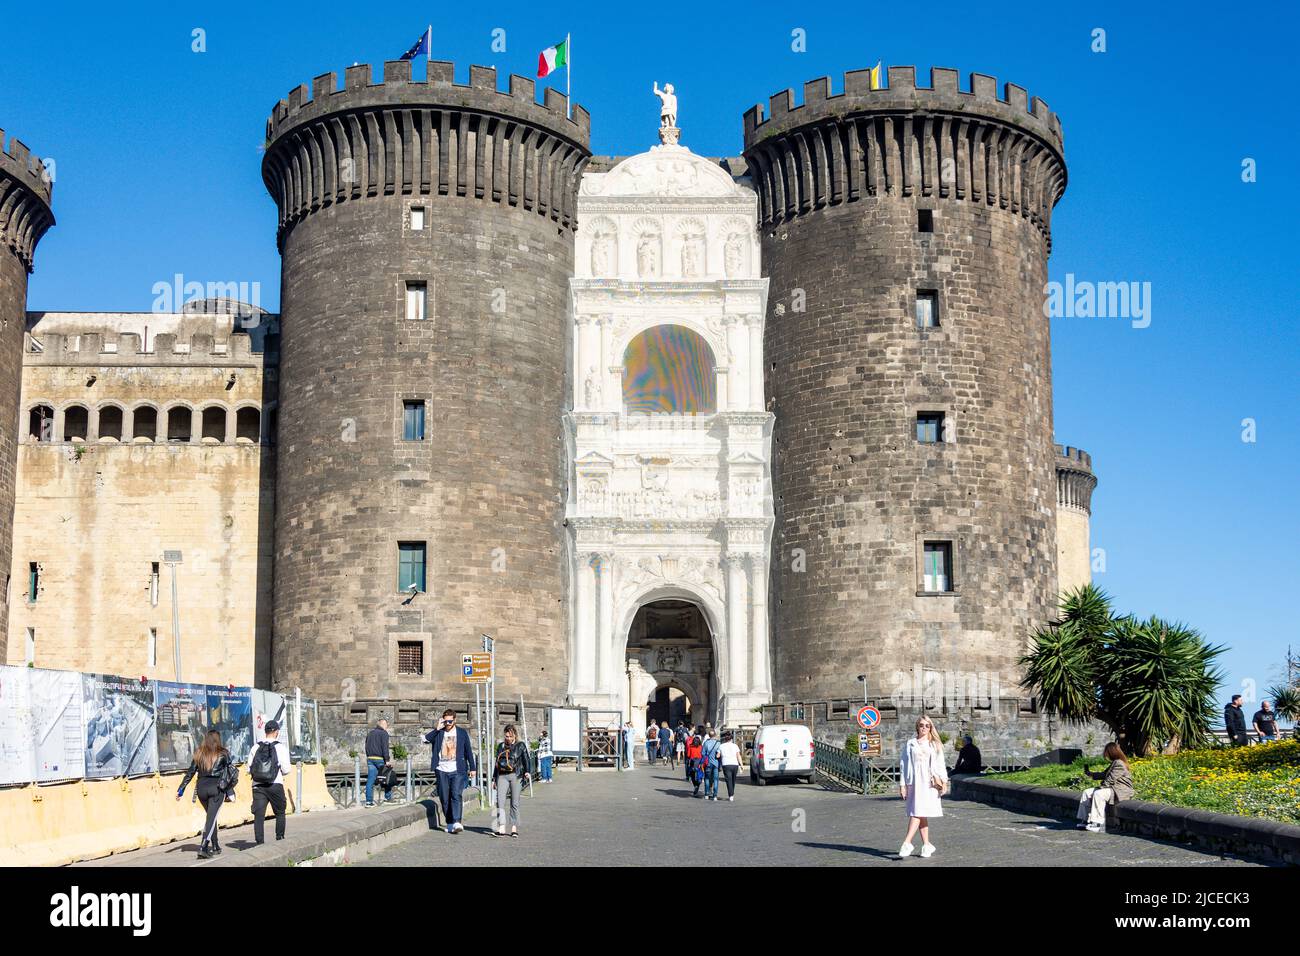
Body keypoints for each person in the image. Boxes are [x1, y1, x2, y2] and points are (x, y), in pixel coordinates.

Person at [176, 730, 232, 859]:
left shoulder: (199, 753)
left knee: (211, 817)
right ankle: (203, 847)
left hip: (201, 790)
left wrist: (181, 790)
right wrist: (230, 791)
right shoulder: (223, 753)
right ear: (218, 739)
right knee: (211, 819)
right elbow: (230, 773)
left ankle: (216, 845)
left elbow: (190, 773)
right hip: (216, 789)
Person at [898, 716, 948, 858]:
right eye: (921, 725)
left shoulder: (934, 744)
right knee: (920, 812)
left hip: (929, 783)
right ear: (917, 727)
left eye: (927, 725)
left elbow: (940, 764)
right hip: (914, 782)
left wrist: (944, 782)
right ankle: (927, 845)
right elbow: (903, 765)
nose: (924, 728)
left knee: (917, 812)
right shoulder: (910, 744)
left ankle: (907, 842)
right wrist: (902, 785)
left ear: (931, 728)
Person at [425, 709, 476, 834]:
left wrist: (473, 768)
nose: (448, 723)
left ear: (455, 720)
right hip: (441, 769)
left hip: (457, 769)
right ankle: (449, 822)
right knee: (444, 797)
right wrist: (437, 729)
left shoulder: (462, 733)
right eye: (446, 721)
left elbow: (468, 751)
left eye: (450, 721)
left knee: (456, 794)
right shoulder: (439, 733)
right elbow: (425, 739)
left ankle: (457, 821)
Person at [249, 719, 292, 844]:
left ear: (265, 731)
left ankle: (259, 842)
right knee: (280, 812)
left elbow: (249, 768)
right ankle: (279, 838)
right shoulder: (281, 748)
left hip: (258, 786)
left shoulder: (255, 747)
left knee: (259, 815)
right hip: (275, 784)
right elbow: (286, 769)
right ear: (276, 732)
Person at [1076, 742, 1134, 832]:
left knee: (1099, 794)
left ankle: (1097, 823)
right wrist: (1091, 774)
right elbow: (1104, 774)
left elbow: (1110, 779)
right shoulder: (1115, 762)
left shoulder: (1119, 763)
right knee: (1086, 792)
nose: (1105, 754)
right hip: (1112, 788)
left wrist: (1100, 788)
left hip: (1120, 790)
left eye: (1106, 751)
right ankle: (1085, 820)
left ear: (1112, 752)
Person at [492, 724, 532, 837]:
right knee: (500, 801)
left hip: (516, 775)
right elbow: (497, 763)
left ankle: (514, 827)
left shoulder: (520, 745)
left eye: (510, 736)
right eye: (506, 736)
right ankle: (501, 827)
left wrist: (527, 771)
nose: (508, 738)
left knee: (514, 802)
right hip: (502, 775)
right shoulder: (501, 746)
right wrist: (493, 778)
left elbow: (526, 759)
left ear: (514, 735)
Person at [364, 717, 394, 807]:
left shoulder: (370, 733)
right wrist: (387, 760)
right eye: (386, 725)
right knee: (386, 777)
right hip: (380, 759)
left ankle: (369, 802)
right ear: (383, 724)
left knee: (370, 780)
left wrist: (368, 756)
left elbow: (366, 746)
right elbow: (385, 747)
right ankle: (387, 798)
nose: (387, 727)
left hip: (370, 758)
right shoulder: (384, 733)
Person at [718, 731, 743, 801]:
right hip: (734, 764)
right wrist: (741, 764)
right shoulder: (735, 746)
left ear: (725, 739)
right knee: (733, 780)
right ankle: (732, 793)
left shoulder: (721, 746)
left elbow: (718, 755)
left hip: (726, 764)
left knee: (728, 780)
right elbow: (738, 755)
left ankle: (731, 795)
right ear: (731, 739)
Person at [699, 729, 721, 801]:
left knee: (707, 778)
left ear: (709, 735)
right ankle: (715, 795)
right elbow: (720, 754)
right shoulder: (718, 743)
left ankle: (706, 794)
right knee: (715, 779)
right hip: (715, 763)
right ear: (714, 735)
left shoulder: (706, 743)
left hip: (708, 763)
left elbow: (702, 753)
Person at [685, 730, 704, 796]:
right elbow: (702, 755)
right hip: (699, 763)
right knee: (699, 774)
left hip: (692, 762)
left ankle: (695, 786)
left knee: (692, 775)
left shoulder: (690, 746)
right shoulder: (701, 747)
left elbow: (688, 755)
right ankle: (698, 785)